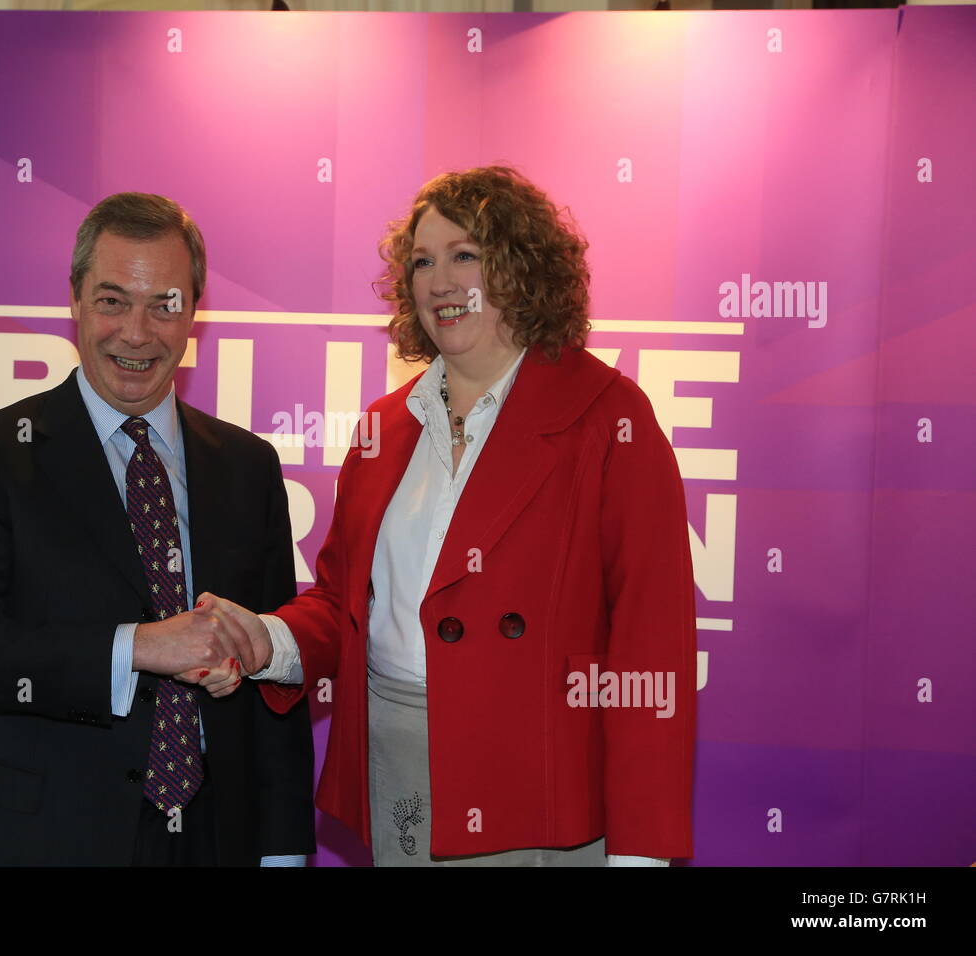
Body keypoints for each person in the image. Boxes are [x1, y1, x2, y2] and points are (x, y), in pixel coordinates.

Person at [196, 166, 696, 866]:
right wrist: (267, 641)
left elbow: (650, 648)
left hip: (544, 800)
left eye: (465, 255)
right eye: (422, 262)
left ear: (521, 267)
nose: (438, 282)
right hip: (398, 772)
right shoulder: (382, 430)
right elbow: (344, 604)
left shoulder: (609, 416)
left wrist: (638, 856)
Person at [0, 192, 315, 866]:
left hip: (215, 840)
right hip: (43, 841)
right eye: (112, 301)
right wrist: (136, 648)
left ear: (194, 312)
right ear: (74, 301)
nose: (137, 332)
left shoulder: (249, 466)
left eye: (165, 304)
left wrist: (282, 852)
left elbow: (271, 681)